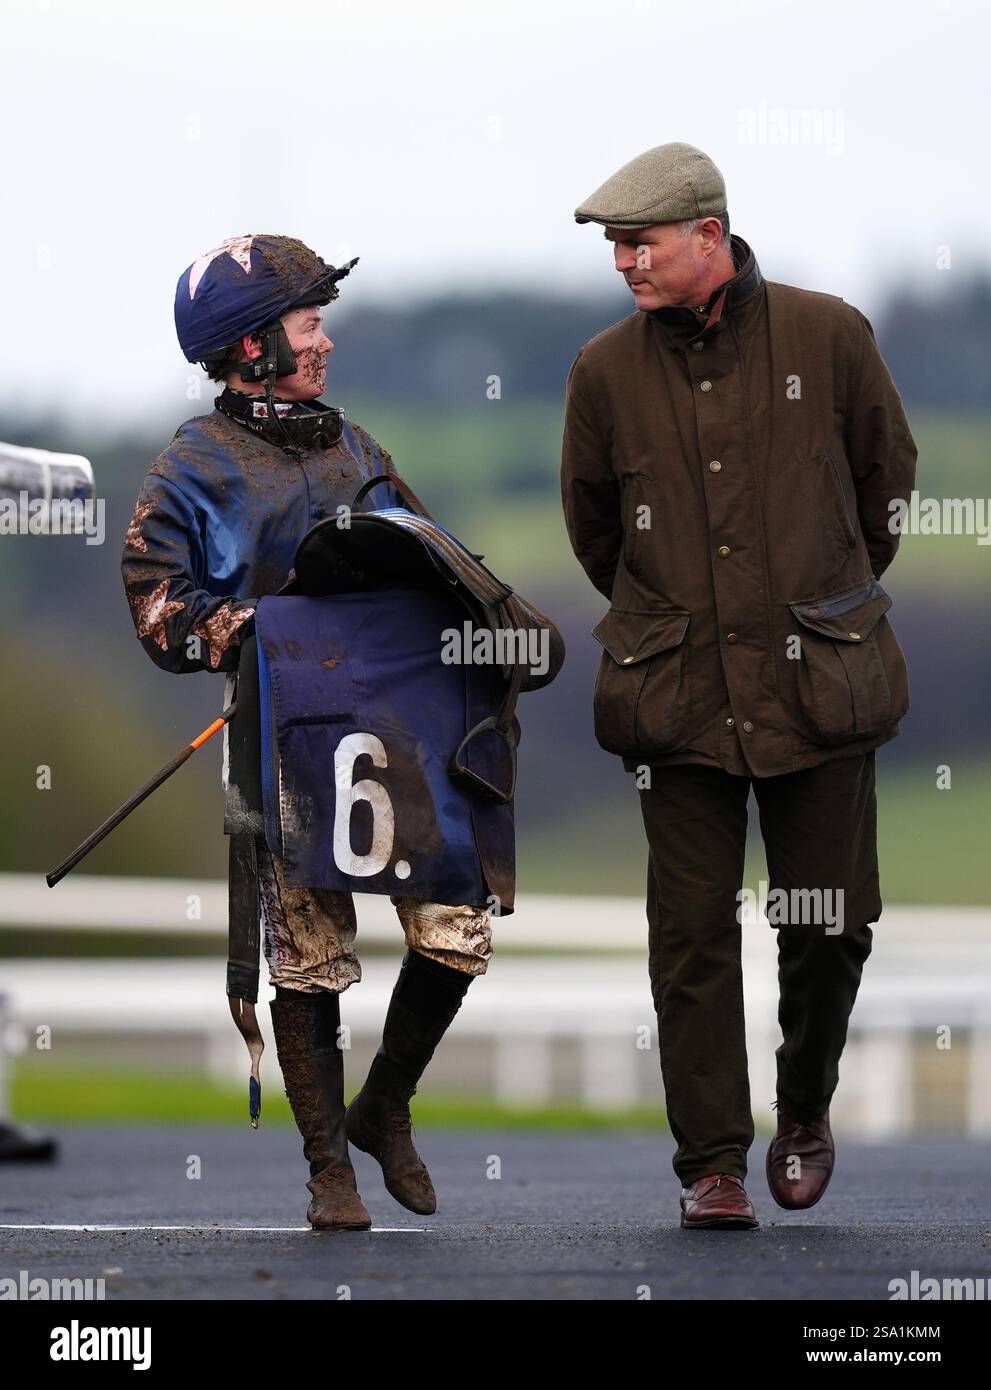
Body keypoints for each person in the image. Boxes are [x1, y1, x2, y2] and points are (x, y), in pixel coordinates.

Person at [560, 144, 916, 1230]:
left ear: (707, 236)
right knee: (691, 937)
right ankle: (710, 1163)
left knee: (831, 921)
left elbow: (883, 488)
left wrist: (824, 602)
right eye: (614, 245)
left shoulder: (831, 335)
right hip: (676, 702)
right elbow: (594, 532)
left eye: (640, 242)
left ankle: (803, 1104)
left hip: (821, 685)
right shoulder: (601, 372)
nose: (623, 262)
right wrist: (667, 623)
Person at [121, 235, 494, 1231]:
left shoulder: (360, 450)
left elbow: (432, 558)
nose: (324, 340)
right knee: (309, 956)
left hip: (394, 733)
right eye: (307, 322)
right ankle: (329, 1168)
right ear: (253, 347)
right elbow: (155, 600)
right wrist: (246, 626)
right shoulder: (191, 467)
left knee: (458, 931)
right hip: (280, 740)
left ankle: (385, 1106)